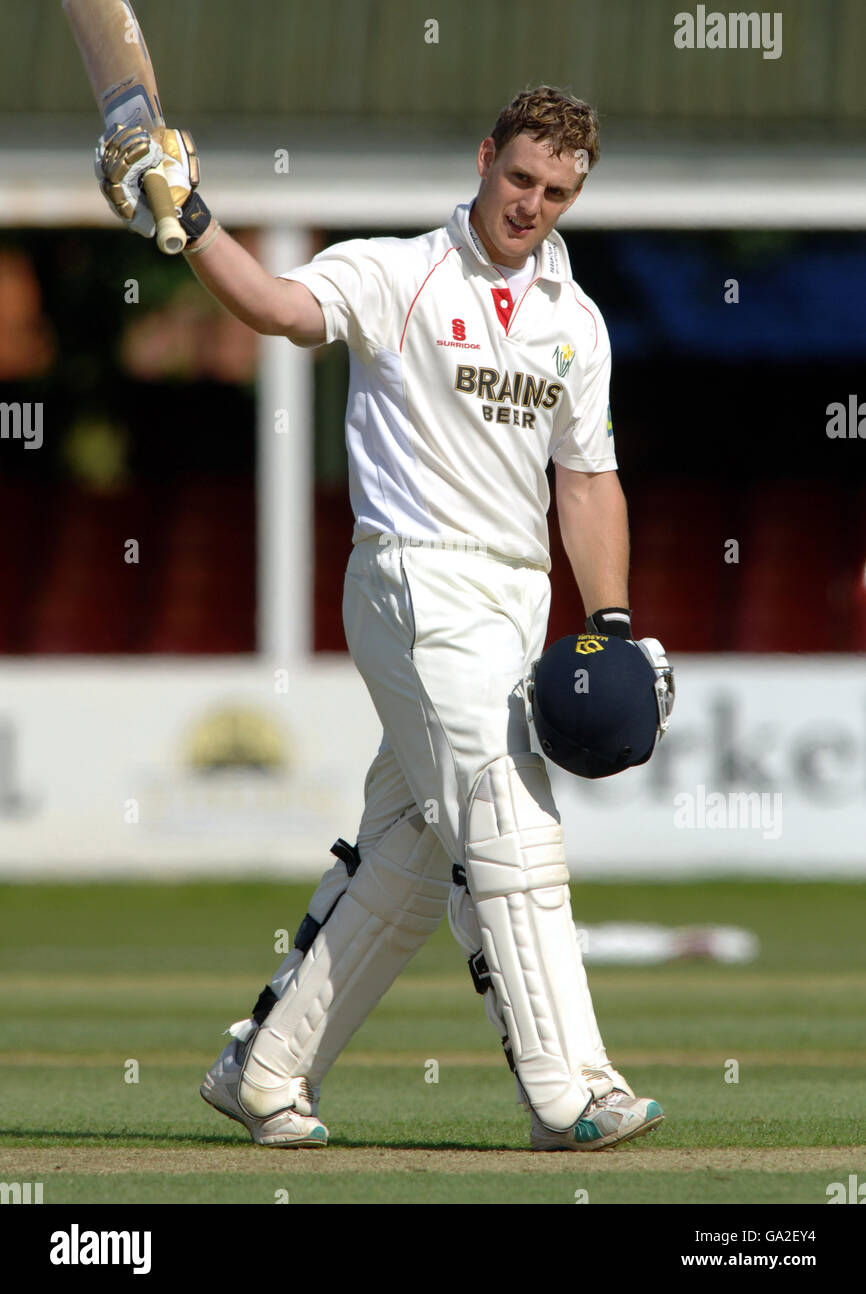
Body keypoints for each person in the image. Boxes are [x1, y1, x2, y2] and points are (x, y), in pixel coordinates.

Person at [96, 85, 666, 1152]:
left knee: (406, 862)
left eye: (555, 193)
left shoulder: (572, 321)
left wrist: (615, 624)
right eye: (519, 179)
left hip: (511, 601)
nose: (531, 205)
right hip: (411, 580)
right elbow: (272, 306)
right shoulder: (395, 272)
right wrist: (190, 217)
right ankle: (570, 1091)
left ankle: (262, 1073)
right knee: (507, 821)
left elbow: (586, 482)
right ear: (483, 153)